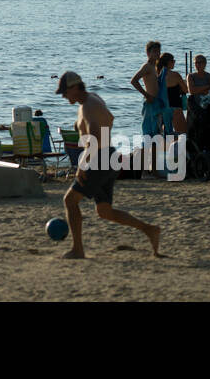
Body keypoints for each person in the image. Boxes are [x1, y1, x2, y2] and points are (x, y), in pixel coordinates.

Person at [56, 71, 161, 260]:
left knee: (70, 201)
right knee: (105, 211)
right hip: (110, 156)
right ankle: (150, 229)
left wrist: (82, 166)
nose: (64, 96)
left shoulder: (87, 106)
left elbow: (95, 137)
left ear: (74, 87)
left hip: (99, 159)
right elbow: (110, 118)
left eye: (65, 92)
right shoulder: (94, 99)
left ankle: (78, 250)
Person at [130, 41, 164, 135]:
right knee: (148, 132)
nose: (157, 54)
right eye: (155, 51)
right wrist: (146, 95)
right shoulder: (147, 66)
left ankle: (155, 149)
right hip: (150, 102)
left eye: (159, 51)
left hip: (158, 102)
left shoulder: (157, 67)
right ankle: (146, 148)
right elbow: (134, 81)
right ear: (148, 53)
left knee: (157, 131)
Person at [157, 52, 188, 134]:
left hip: (161, 108)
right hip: (175, 107)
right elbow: (186, 90)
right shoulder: (175, 75)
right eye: (173, 61)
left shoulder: (157, 75)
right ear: (168, 62)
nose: (174, 62)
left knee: (165, 135)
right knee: (182, 133)